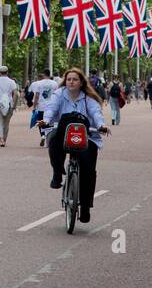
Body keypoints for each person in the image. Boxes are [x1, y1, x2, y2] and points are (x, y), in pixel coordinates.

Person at [40, 67, 109, 224]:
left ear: (81, 82)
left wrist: (101, 126)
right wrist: (46, 120)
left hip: (87, 135)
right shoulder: (59, 94)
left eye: (75, 79)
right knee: (53, 143)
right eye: (69, 79)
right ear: (65, 81)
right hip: (63, 132)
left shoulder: (88, 99)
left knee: (89, 170)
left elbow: (96, 113)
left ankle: (85, 206)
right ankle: (58, 173)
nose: (71, 82)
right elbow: (51, 108)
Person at [0, 65, 18, 147]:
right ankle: (4, 139)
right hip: (8, 104)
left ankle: (1, 139)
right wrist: (14, 105)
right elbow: (16, 93)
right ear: (7, 72)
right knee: (6, 123)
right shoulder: (12, 82)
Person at [27, 72, 57, 145]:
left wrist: (34, 106)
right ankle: (48, 138)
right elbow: (57, 94)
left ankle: (43, 135)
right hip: (51, 106)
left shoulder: (39, 83)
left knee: (40, 122)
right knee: (50, 122)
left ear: (44, 75)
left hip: (41, 106)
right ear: (50, 75)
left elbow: (36, 96)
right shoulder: (54, 83)